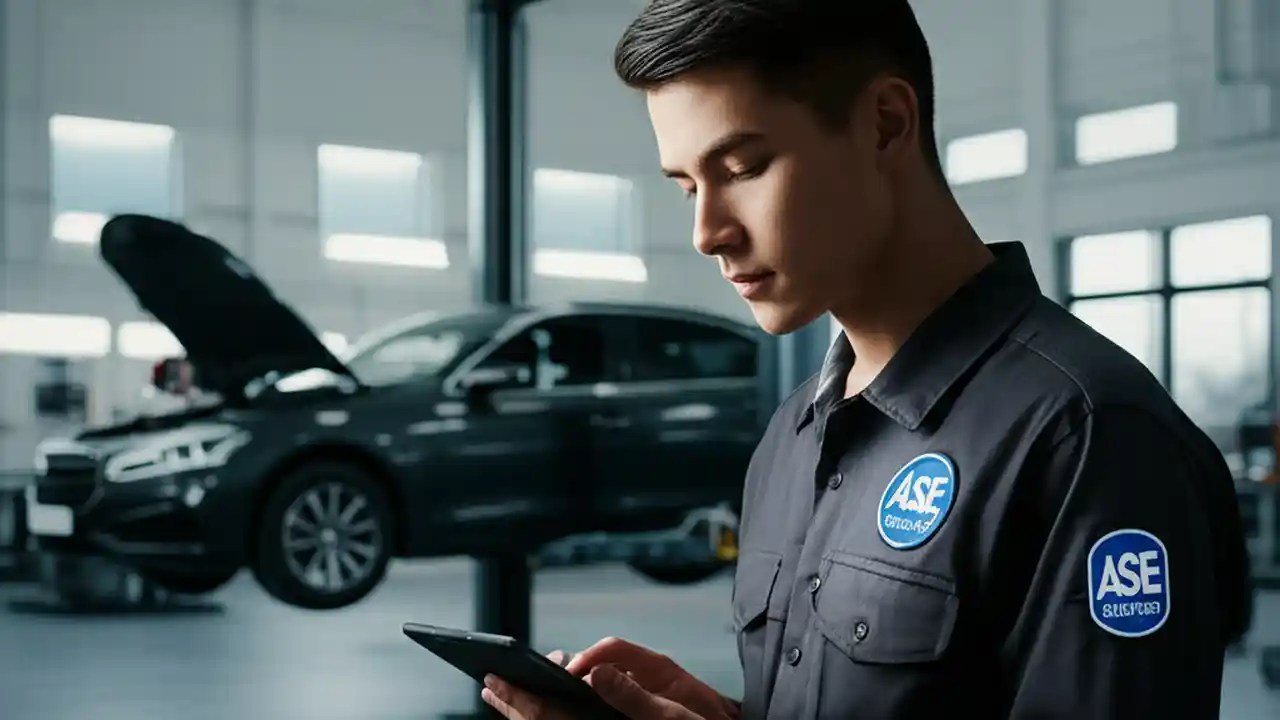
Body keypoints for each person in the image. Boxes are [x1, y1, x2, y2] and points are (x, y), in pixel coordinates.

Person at [481, 0, 1255, 717]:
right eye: (688, 187)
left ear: (886, 123)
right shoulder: (793, 440)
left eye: (743, 169)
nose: (707, 231)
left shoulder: (1089, 439)